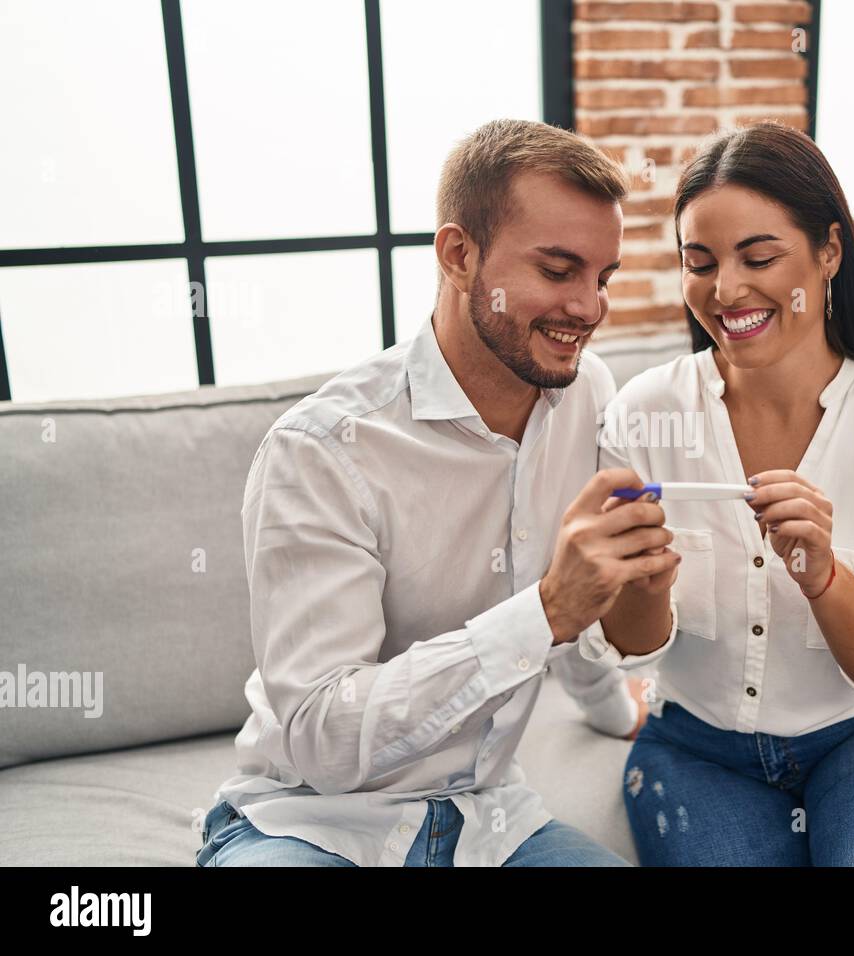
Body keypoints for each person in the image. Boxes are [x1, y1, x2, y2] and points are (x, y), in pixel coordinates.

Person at [196, 119, 678, 867]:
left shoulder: (589, 396)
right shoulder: (322, 451)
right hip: (307, 824)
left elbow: (579, 606)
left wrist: (615, 706)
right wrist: (544, 612)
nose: (590, 308)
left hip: (489, 822)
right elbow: (323, 739)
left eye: (603, 276)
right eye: (558, 270)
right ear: (459, 256)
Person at [598, 122, 854, 866]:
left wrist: (825, 578)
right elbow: (628, 647)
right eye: (700, 262)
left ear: (829, 252)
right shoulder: (642, 417)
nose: (726, 290)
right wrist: (640, 584)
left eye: (759, 256)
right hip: (699, 752)